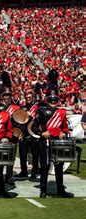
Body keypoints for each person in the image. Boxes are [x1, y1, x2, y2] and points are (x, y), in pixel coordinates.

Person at [32, 69, 74, 198]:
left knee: (58, 166)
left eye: (55, 100)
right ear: (47, 99)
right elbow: (34, 126)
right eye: (51, 100)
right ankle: (43, 190)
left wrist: (63, 133)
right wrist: (42, 133)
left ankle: (60, 190)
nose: (53, 102)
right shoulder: (42, 110)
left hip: (58, 142)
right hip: (45, 141)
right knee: (44, 166)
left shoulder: (62, 112)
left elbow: (65, 128)